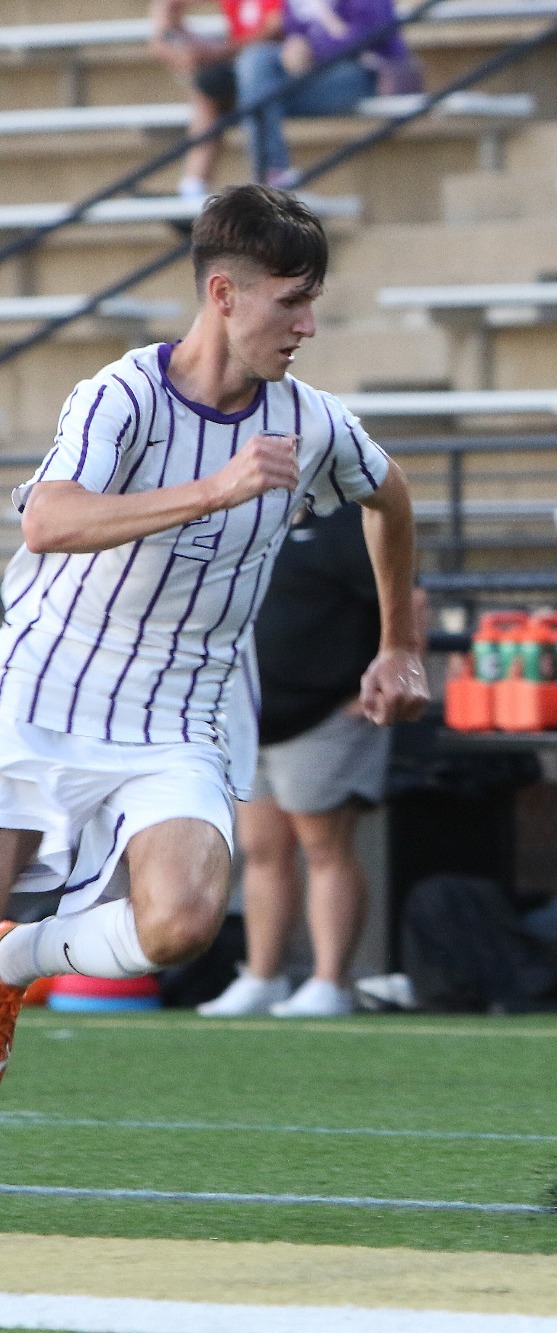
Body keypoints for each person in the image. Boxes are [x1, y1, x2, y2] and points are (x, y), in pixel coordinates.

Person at [0, 185, 428, 1084]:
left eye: (314, 300)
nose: (308, 323)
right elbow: (48, 522)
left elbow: (390, 494)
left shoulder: (309, 421)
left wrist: (398, 645)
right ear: (224, 294)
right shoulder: (121, 394)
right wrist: (214, 489)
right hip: (42, 689)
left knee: (183, 921)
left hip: (181, 712)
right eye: (293, 299)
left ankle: (12, 964)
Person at [197, 503, 424, 1019]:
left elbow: (410, 600)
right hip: (254, 720)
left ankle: (330, 981)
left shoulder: (350, 524)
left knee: (325, 846)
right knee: (260, 849)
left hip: (327, 713)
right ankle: (263, 975)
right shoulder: (248, 520)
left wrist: (394, 675)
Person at [235, 0, 415, 189]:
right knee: (256, 59)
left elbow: (368, 36)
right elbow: (293, 30)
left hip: (365, 74)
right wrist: (294, 49)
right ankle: (273, 173)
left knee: (260, 95)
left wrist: (313, 48)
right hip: (314, 74)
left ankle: (270, 173)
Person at [148, 0, 286, 200]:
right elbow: (169, 7)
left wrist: (217, 52)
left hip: (284, 67)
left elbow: (276, 30)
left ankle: (270, 172)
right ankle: (193, 187)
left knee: (251, 69)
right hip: (247, 66)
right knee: (209, 84)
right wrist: (168, 33)